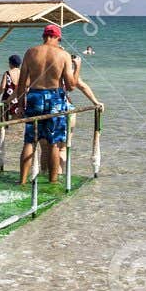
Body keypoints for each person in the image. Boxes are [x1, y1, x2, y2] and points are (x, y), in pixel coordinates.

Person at [18, 24, 98, 184]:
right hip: (54, 97)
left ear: (43, 36)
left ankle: (22, 181)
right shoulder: (63, 55)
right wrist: (78, 67)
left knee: (30, 141)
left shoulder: (30, 52)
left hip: (34, 95)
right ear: (57, 37)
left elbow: (21, 83)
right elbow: (71, 86)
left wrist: (20, 105)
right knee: (54, 143)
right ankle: (52, 182)